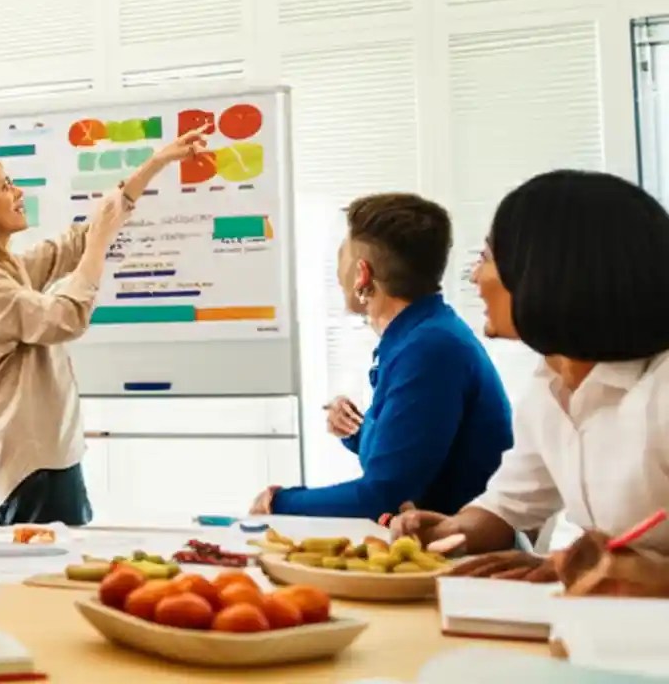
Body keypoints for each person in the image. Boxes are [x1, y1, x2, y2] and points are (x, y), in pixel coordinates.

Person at [392, 170, 669, 579]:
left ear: (546, 271)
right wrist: (454, 530)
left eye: (486, 258)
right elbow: (509, 505)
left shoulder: (659, 390)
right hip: (607, 628)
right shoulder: (551, 386)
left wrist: (574, 567)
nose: (475, 277)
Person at [0, 128, 208, 525]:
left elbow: (78, 239)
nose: (18, 193)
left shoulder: (4, 268)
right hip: (32, 461)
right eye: (6, 186)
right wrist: (99, 244)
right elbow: (65, 316)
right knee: (42, 575)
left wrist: (157, 162)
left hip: (48, 453)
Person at [249, 194, 513, 519]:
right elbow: (407, 460)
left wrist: (278, 502)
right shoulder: (420, 336)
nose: (336, 270)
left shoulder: (429, 349)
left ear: (362, 275)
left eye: (341, 256)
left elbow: (385, 495)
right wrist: (356, 431)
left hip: (460, 558)